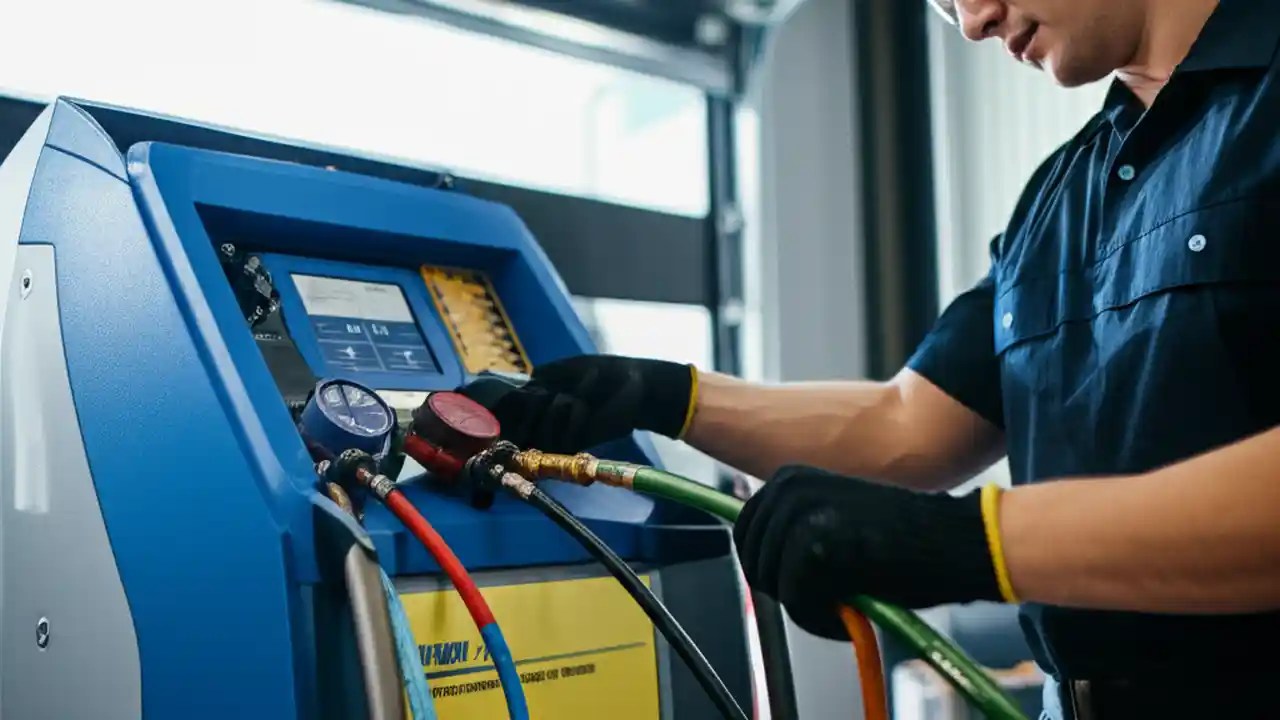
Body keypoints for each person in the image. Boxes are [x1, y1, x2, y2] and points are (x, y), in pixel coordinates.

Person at [461, 0, 1280, 716]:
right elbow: (907, 425)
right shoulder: (1061, 195)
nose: (973, 21)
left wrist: (973, 545)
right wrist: (658, 392)